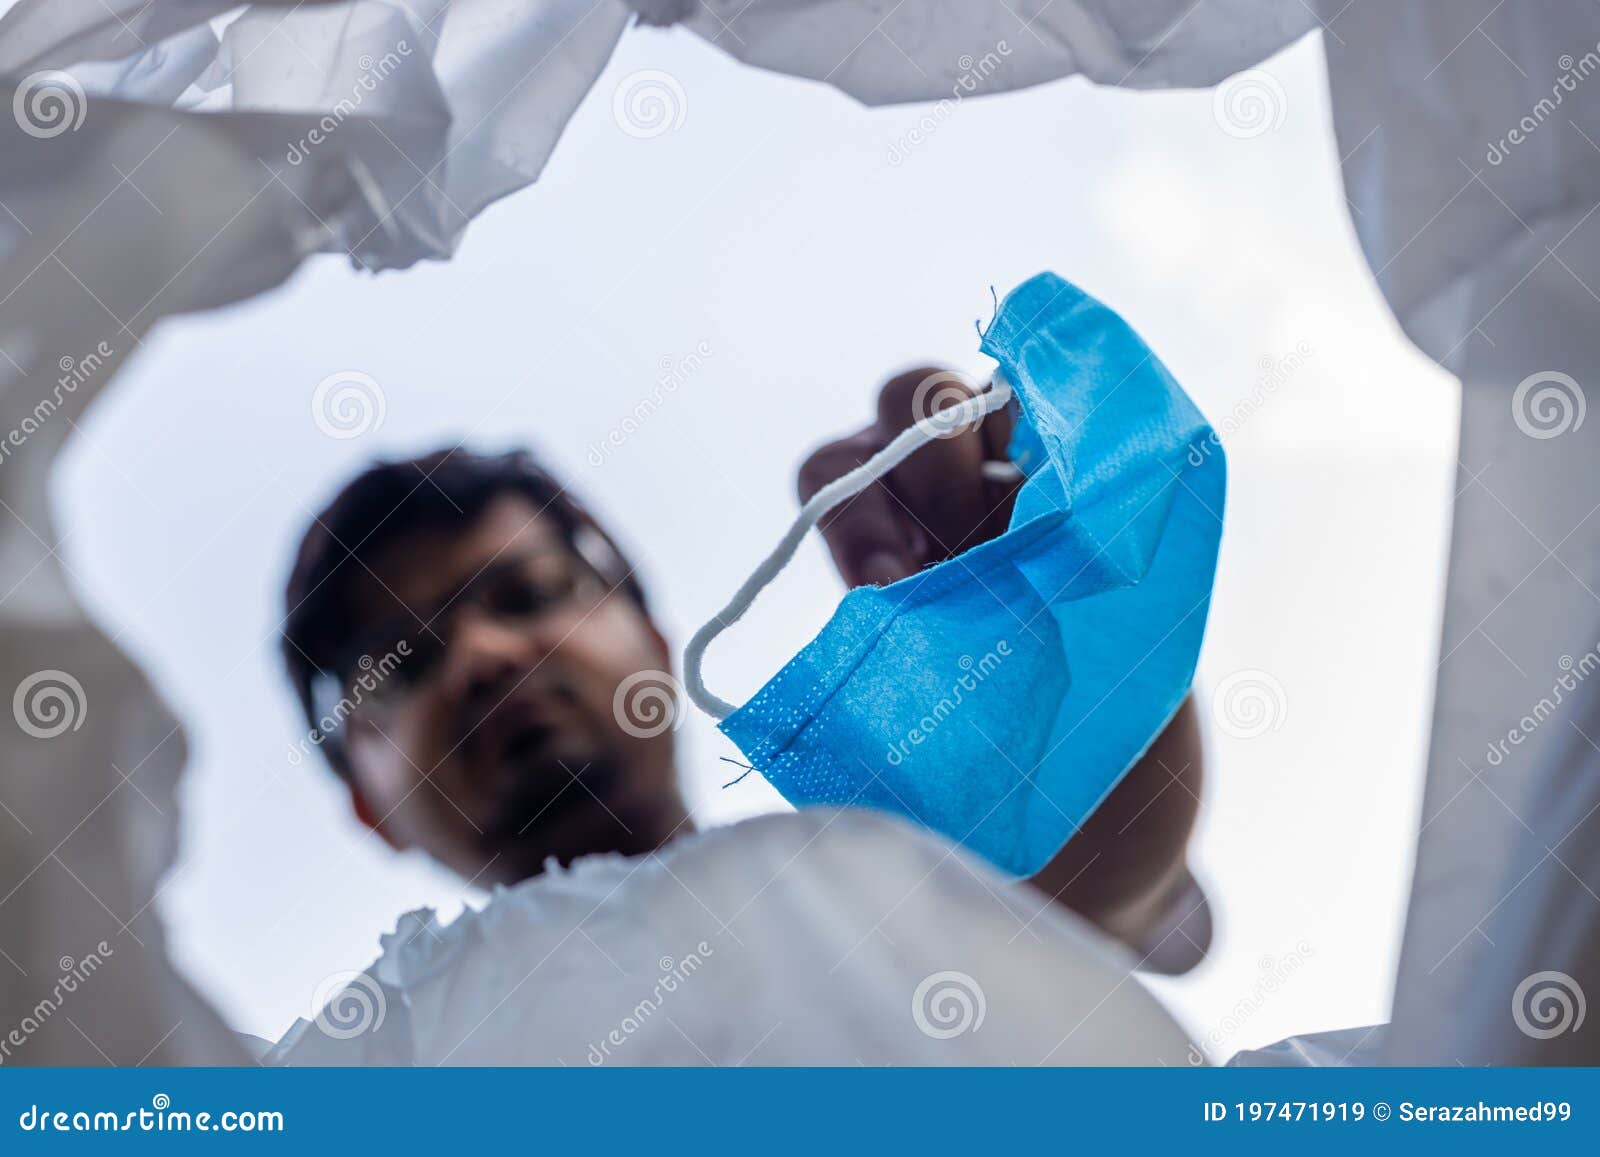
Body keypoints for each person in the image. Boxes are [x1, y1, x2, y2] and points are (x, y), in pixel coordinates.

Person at [279, 368, 1210, 974]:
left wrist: (1077, 699)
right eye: (394, 667)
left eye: (525, 592)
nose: (482, 655)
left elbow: (1100, 902)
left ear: (651, 637)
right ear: (363, 799)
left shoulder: (892, 897)